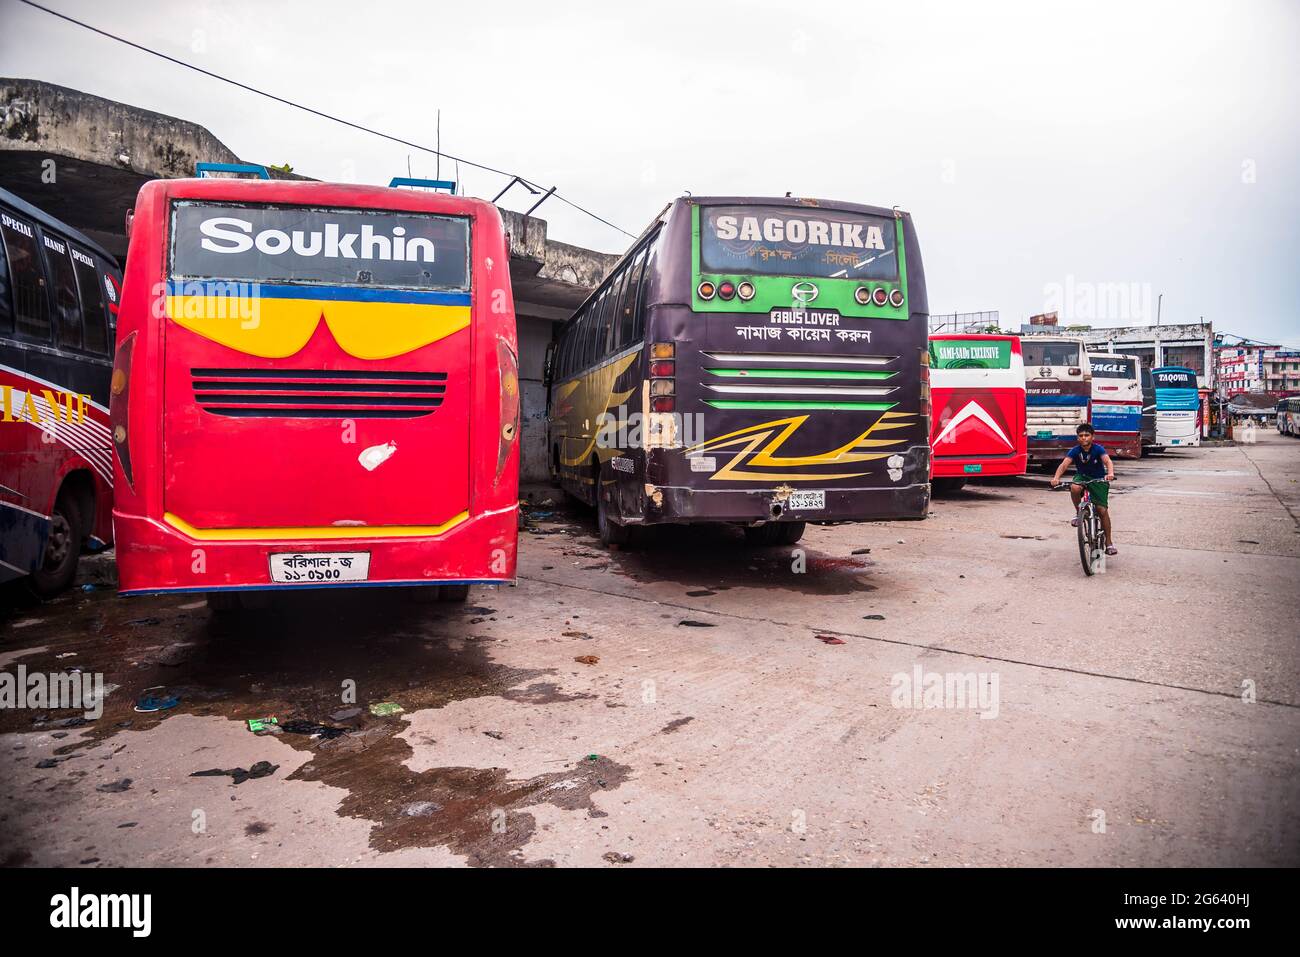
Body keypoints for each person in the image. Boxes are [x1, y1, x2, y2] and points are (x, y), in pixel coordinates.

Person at [1050, 423, 1117, 555]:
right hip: (1082, 477)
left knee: (1102, 510)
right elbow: (1064, 465)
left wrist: (1110, 474)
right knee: (1074, 487)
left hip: (1098, 479)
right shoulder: (1075, 450)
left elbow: (1108, 461)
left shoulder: (1098, 449)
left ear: (1092, 437)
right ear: (1077, 438)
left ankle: (1108, 543)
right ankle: (1078, 512)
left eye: (1087, 435)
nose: (1084, 438)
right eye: (1081, 436)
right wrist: (1056, 478)